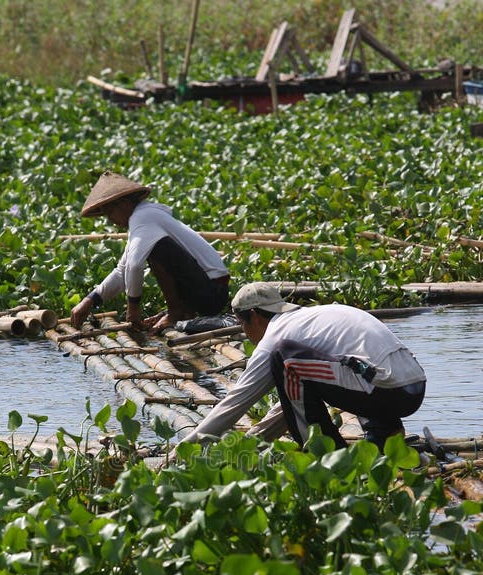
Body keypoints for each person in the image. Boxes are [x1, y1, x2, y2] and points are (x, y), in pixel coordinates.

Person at [184, 282, 426, 452]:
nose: (244, 333)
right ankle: (385, 436)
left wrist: (186, 448)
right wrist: (254, 441)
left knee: (283, 358)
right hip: (412, 389)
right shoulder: (316, 316)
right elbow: (294, 399)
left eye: (241, 324)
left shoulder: (276, 336)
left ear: (255, 315)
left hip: (383, 390)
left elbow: (235, 403)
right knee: (347, 366)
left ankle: (324, 454)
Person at [70, 171, 230, 333]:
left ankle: (176, 312)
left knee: (156, 248)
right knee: (153, 247)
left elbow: (134, 266)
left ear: (124, 203)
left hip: (212, 293)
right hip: (206, 291)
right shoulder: (142, 219)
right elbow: (122, 271)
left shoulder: (143, 216)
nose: (111, 220)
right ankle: (181, 311)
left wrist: (133, 308)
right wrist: (89, 301)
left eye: (110, 212)